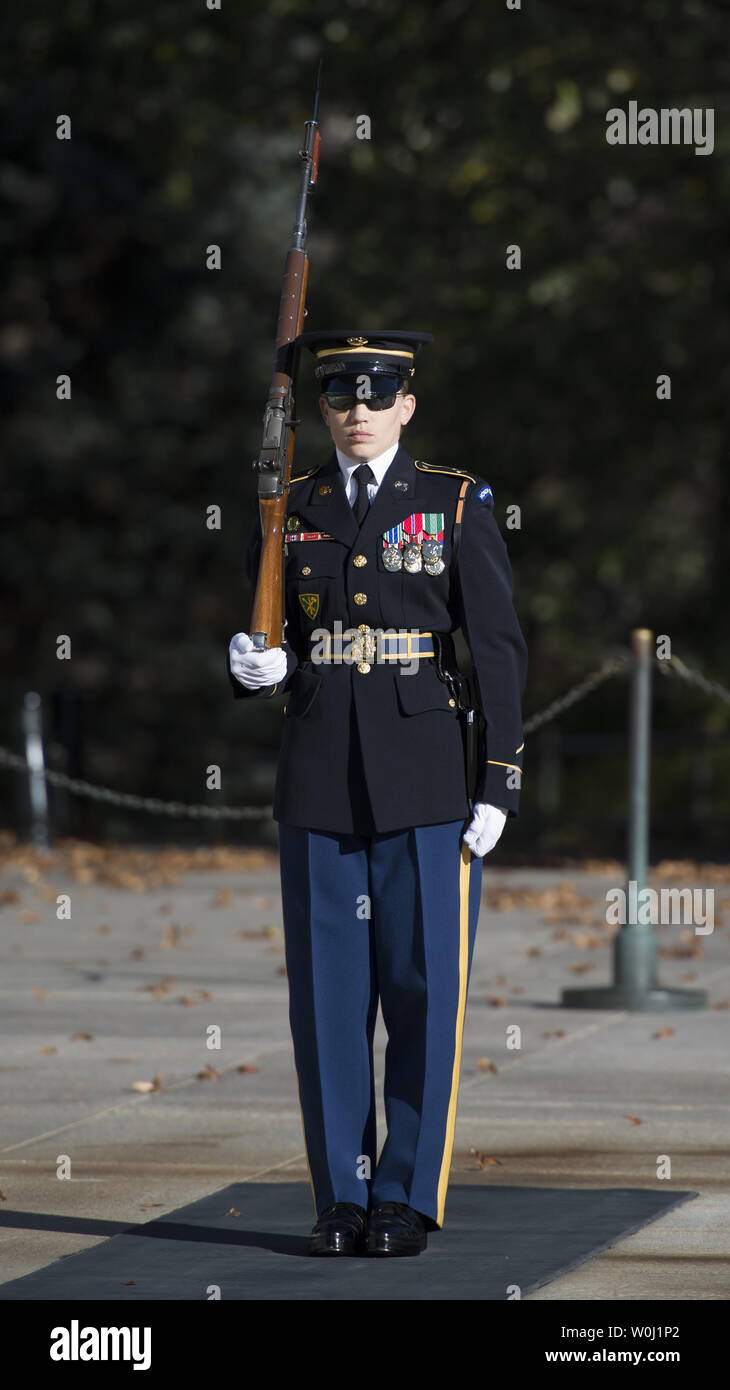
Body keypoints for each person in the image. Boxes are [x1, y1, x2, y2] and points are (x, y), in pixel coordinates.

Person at [227, 330, 527, 1257]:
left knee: (423, 990)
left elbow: (500, 649)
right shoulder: (295, 505)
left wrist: (500, 779)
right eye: (342, 398)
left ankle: (405, 1194)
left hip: (427, 773)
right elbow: (273, 628)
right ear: (324, 410)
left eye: (377, 395)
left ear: (407, 404)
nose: (358, 412)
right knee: (328, 1001)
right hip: (319, 769)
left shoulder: (452, 500)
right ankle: (341, 1196)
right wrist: (257, 665)